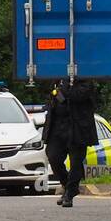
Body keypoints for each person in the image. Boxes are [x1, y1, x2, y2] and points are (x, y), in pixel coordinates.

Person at [42, 78, 98, 207]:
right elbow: (51, 96)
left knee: (76, 163)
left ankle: (69, 194)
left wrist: (64, 87)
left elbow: (79, 95)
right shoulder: (57, 79)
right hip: (57, 127)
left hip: (77, 127)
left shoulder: (85, 79)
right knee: (52, 156)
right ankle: (67, 186)